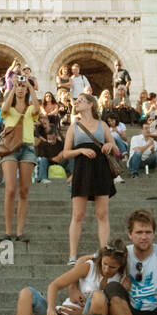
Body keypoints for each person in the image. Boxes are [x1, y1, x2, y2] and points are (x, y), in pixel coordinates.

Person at [15, 242, 128, 315]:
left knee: (97, 295)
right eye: (105, 264)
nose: (107, 269)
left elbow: (110, 312)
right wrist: (51, 308)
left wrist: (78, 314)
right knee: (27, 292)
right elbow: (54, 285)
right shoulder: (90, 267)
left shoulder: (122, 280)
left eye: (112, 267)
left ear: (120, 266)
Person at [61, 93, 118, 265]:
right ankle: (72, 255)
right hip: (81, 169)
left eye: (81, 100)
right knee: (78, 214)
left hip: (100, 169)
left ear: (91, 104)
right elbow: (65, 152)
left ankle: (104, 252)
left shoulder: (102, 125)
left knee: (102, 213)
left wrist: (110, 145)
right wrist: (80, 151)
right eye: (76, 101)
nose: (76, 102)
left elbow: (115, 147)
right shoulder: (74, 126)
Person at [0, 78, 39, 243]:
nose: (21, 89)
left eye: (23, 87)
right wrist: (13, 89)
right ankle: (8, 231)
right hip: (10, 148)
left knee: (24, 191)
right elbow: (5, 108)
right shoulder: (10, 107)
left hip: (27, 148)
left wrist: (31, 88)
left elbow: (37, 109)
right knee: (10, 189)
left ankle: (20, 232)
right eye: (19, 87)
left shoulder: (30, 108)